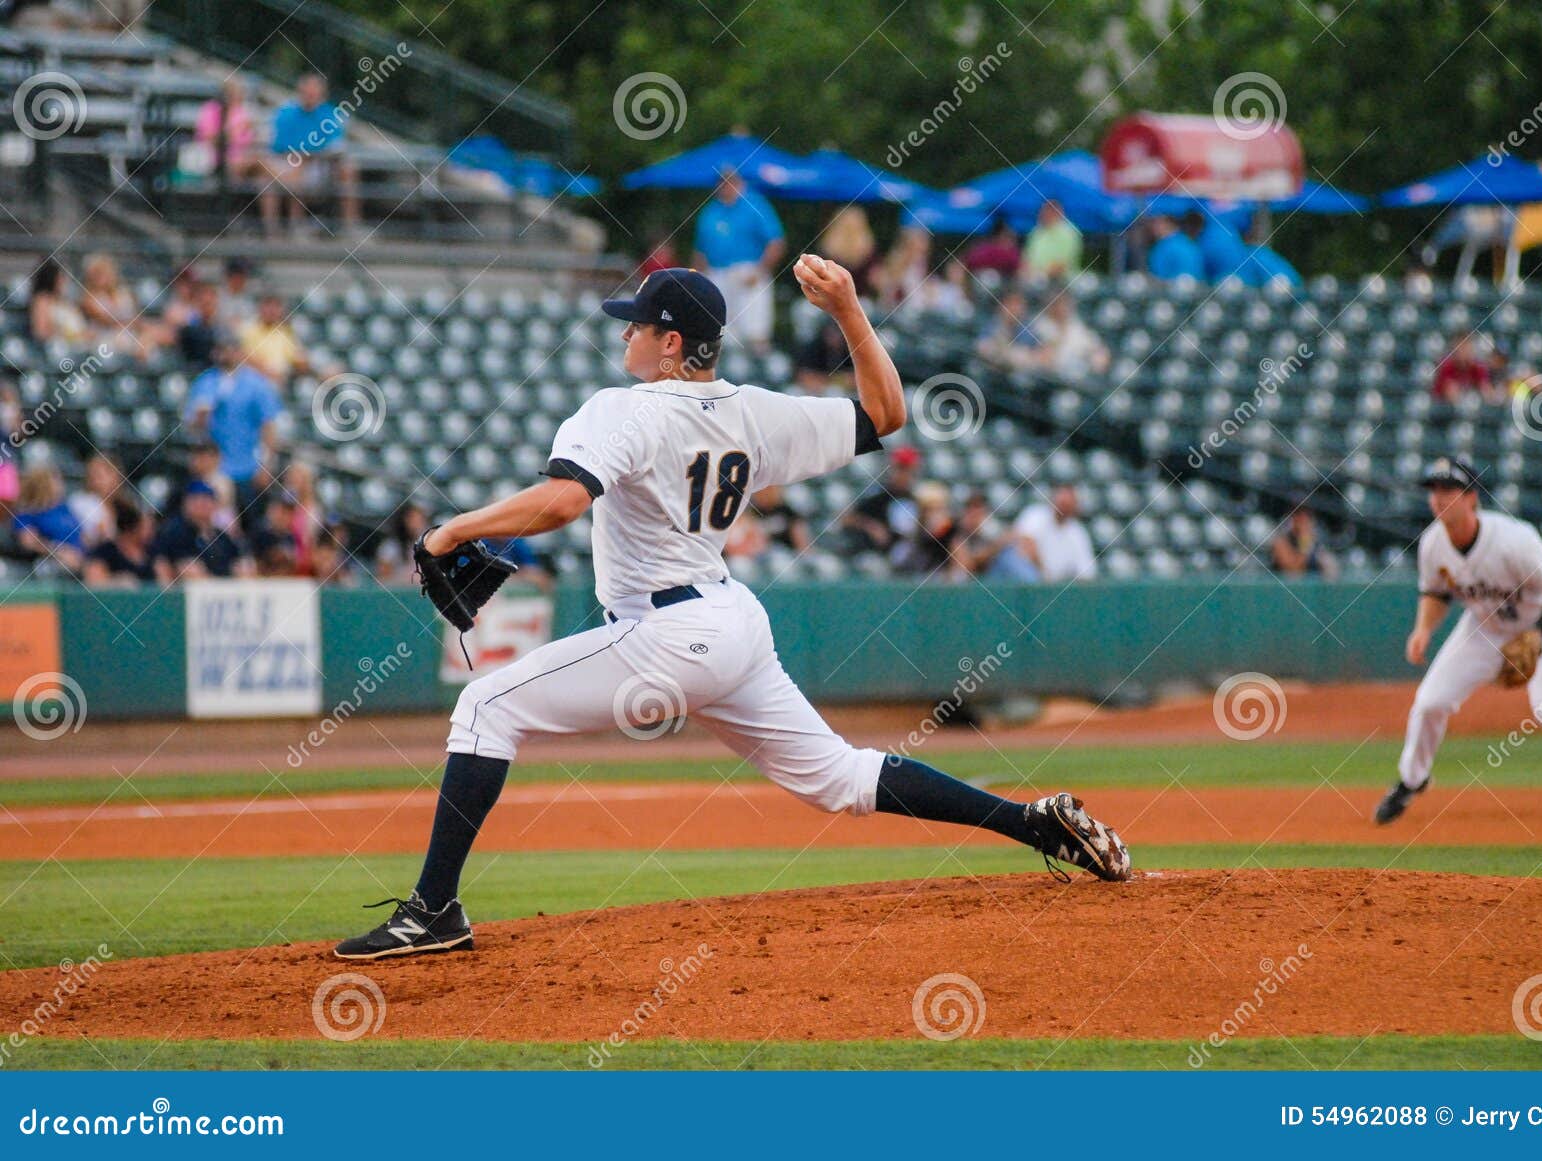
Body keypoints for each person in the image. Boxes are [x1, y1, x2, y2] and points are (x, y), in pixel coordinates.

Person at [332, 262, 1130, 959]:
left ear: (672, 342)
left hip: (668, 634)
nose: (626, 339)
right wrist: (850, 309)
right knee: (841, 778)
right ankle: (1034, 822)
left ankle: (433, 909)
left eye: (638, 325)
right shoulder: (755, 410)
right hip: (732, 625)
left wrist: (448, 530)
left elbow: (564, 499)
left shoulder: (624, 408)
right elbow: (886, 414)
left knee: (483, 705)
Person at [1377, 457, 1542, 828]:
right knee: (1430, 701)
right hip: (1484, 626)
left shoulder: (1513, 539)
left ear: (1470, 498)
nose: (1439, 498)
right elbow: (1435, 593)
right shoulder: (1433, 543)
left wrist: (1536, 634)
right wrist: (1423, 631)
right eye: (1434, 490)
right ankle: (1411, 780)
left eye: (1448, 489)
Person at [184, 339, 282, 529]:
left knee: (250, 522)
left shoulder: (256, 383)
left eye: (230, 350)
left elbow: (269, 426)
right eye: (222, 349)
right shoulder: (206, 382)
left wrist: (266, 464)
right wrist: (200, 418)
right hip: (214, 468)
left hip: (247, 466)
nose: (226, 355)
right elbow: (192, 426)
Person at [692, 168, 785, 351]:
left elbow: (776, 243)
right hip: (717, 273)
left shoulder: (756, 205)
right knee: (721, 330)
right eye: (722, 182)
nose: (725, 187)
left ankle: (760, 371)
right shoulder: (711, 211)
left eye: (730, 182)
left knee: (755, 329)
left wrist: (760, 271)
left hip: (749, 271)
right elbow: (700, 250)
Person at [259, 74, 360, 237]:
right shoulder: (286, 113)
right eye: (307, 90)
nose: (311, 94)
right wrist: (303, 154)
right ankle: (275, 229)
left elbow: (336, 147)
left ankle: (351, 226)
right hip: (288, 163)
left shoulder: (331, 114)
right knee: (282, 169)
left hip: (320, 166)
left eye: (315, 91)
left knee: (348, 169)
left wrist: (308, 154)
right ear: (300, 91)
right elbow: (278, 146)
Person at [151, 481, 247, 580]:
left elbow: (237, 560)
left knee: (245, 567)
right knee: (191, 569)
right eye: (196, 499)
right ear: (186, 504)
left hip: (224, 587)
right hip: (190, 589)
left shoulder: (221, 536)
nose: (201, 504)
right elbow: (164, 564)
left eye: (206, 499)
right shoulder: (174, 532)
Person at [840, 444, 920, 556]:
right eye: (901, 469)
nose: (905, 475)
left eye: (909, 470)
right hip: (872, 554)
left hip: (904, 556)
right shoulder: (877, 493)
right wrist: (871, 527)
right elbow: (846, 518)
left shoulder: (915, 499)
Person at [1013, 485, 1097, 582]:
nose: (1063, 508)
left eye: (1067, 505)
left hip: (1056, 584)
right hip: (1030, 576)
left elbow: (1087, 571)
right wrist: (1045, 575)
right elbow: (1026, 545)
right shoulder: (1036, 515)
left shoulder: (1078, 532)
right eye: (1061, 503)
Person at [950, 492, 1039, 582]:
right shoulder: (959, 534)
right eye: (971, 510)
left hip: (998, 574)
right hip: (975, 581)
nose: (975, 514)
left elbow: (1013, 538)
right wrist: (995, 547)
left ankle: (1032, 585)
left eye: (979, 509)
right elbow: (966, 567)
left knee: (1010, 553)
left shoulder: (991, 530)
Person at [11, 464, 83, 574]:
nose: (60, 485)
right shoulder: (28, 512)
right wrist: (59, 551)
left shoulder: (64, 509)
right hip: (54, 564)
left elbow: (82, 535)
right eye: (55, 480)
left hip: (82, 560)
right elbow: (28, 542)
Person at [193, 78, 259, 184]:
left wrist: (252, 130)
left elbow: (250, 142)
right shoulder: (211, 109)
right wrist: (235, 129)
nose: (239, 96)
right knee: (249, 166)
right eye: (235, 92)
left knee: (264, 179)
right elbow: (210, 140)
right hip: (214, 157)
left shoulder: (241, 111)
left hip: (242, 159)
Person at [239, 292, 315, 384]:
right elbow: (245, 356)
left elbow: (296, 356)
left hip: (283, 378)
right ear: (260, 308)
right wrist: (269, 372)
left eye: (276, 307)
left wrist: (303, 363)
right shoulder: (248, 329)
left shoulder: (285, 331)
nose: (271, 311)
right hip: (257, 377)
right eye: (268, 306)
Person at [1034, 293, 1109, 380]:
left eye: (1066, 305)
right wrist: (1062, 330)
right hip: (1055, 374)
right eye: (1059, 305)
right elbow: (1045, 354)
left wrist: (1097, 356)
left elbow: (1095, 346)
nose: (1064, 309)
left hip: (1081, 370)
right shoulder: (1041, 324)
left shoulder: (1075, 323)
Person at [890, 481, 958, 576]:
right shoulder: (910, 538)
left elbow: (961, 572)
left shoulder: (952, 535)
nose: (934, 515)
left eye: (938, 509)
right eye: (928, 509)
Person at [83, 500, 156, 586]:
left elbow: (165, 584)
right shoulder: (105, 551)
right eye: (146, 528)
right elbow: (94, 581)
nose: (152, 532)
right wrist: (118, 582)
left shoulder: (152, 552)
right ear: (131, 528)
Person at [66, 453, 129, 548]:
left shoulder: (125, 505)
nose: (95, 480)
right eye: (92, 474)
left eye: (100, 475)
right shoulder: (79, 501)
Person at [27, 259, 90, 347]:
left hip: (80, 345)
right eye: (61, 278)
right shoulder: (42, 301)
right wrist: (69, 336)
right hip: (59, 348)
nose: (65, 282)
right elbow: (41, 333)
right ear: (52, 278)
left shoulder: (66, 301)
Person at [976, 288, 1043, 371]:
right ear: (1001, 306)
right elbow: (982, 347)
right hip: (993, 371)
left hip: (1020, 374)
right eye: (1010, 304)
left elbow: (1039, 355)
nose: (1014, 308)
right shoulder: (993, 323)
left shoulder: (1029, 327)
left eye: (1018, 304)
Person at [1021, 200, 1082, 284]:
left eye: (1047, 211)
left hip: (1061, 282)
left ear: (1058, 212)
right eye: (1042, 211)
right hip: (1033, 281)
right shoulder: (1036, 232)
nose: (1042, 214)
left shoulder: (1068, 233)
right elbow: (1025, 259)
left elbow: (1062, 264)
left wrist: (1040, 275)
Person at [1270, 506, 1338, 579]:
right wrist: (1304, 541)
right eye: (1299, 519)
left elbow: (1332, 572)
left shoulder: (1315, 541)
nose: (1303, 524)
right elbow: (1294, 571)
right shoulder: (1281, 541)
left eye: (1306, 520)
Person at [818, 205, 877, 289]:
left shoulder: (869, 250)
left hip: (860, 298)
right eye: (846, 224)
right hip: (831, 295)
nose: (849, 229)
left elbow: (875, 280)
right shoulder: (827, 248)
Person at [178, 281, 227, 369]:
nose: (206, 307)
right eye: (204, 303)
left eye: (209, 303)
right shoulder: (188, 327)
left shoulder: (222, 328)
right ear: (197, 303)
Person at [1432, 331, 1492, 402]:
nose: (1465, 351)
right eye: (1461, 348)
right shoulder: (1447, 366)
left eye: (1468, 347)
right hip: (1443, 408)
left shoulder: (1477, 367)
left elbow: (1487, 392)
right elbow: (1452, 395)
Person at [1145, 215, 1205, 282]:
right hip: (1197, 288)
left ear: (1167, 224)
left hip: (1170, 288)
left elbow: (1157, 276)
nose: (1153, 227)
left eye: (1156, 223)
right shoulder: (1189, 242)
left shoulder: (1163, 247)